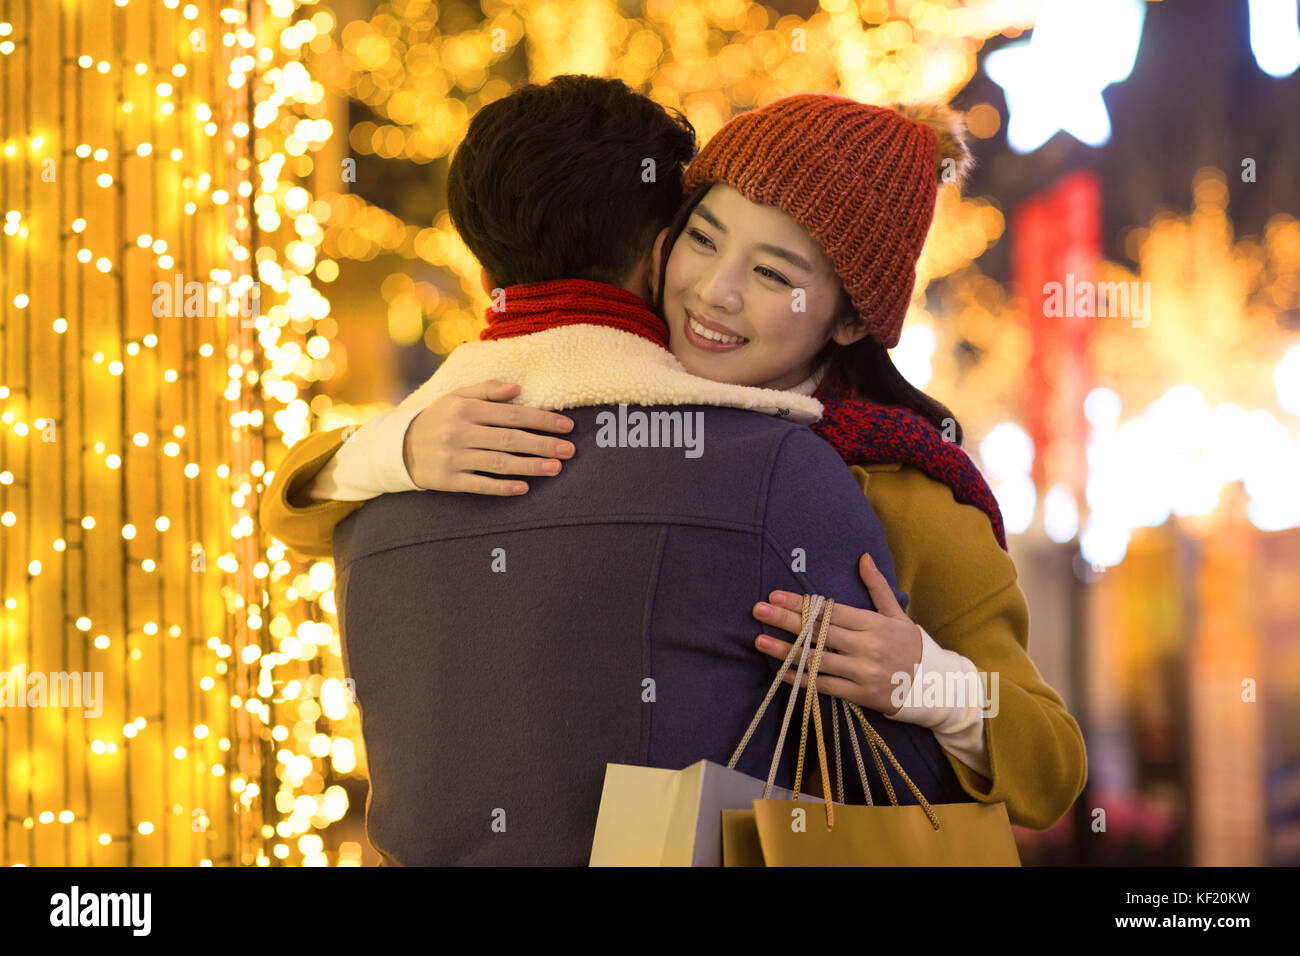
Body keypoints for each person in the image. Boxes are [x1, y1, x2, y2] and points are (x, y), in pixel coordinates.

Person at [263, 75, 972, 865]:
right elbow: (905, 786)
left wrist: (383, 452)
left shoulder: (378, 493)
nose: (717, 289)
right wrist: (940, 693)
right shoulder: (781, 470)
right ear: (659, 245)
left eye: (773, 273)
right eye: (702, 238)